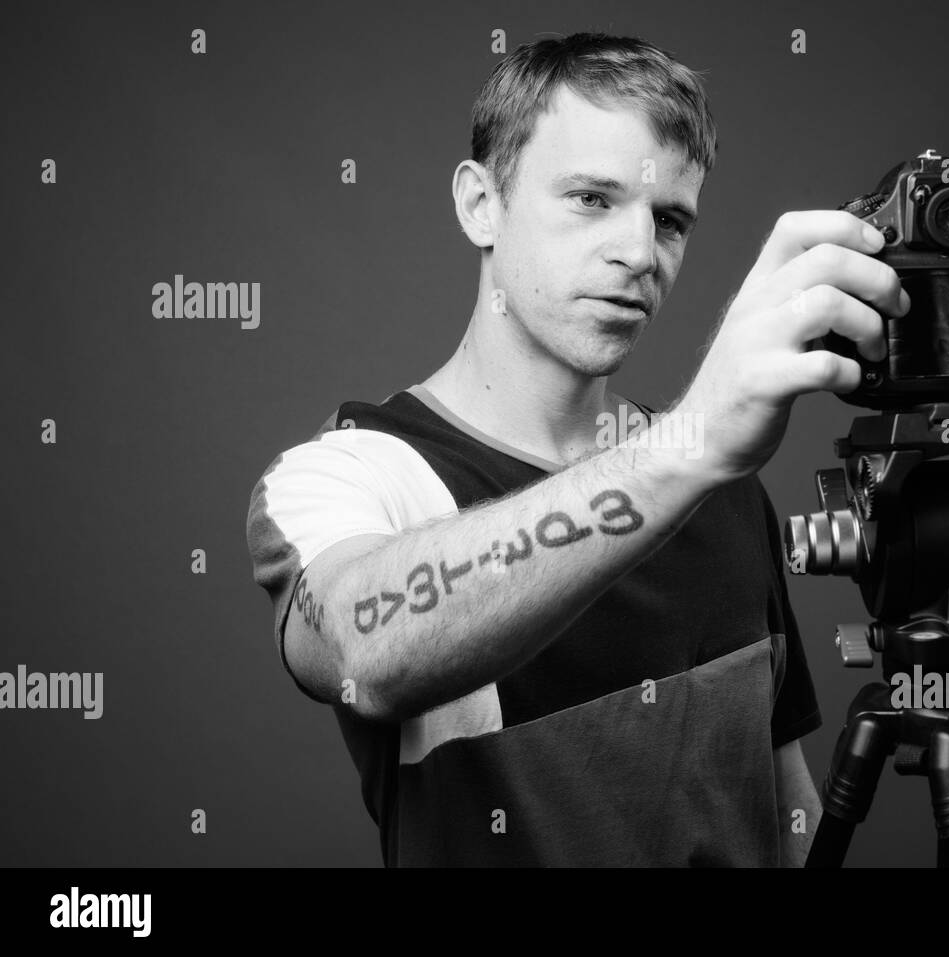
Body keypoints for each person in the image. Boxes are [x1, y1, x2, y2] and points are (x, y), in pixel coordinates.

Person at [245, 32, 907, 867]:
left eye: (670, 220)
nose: (640, 253)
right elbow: (360, 651)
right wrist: (689, 448)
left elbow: (785, 808)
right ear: (480, 204)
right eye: (592, 198)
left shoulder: (720, 478)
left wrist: (697, 454)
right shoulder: (352, 471)